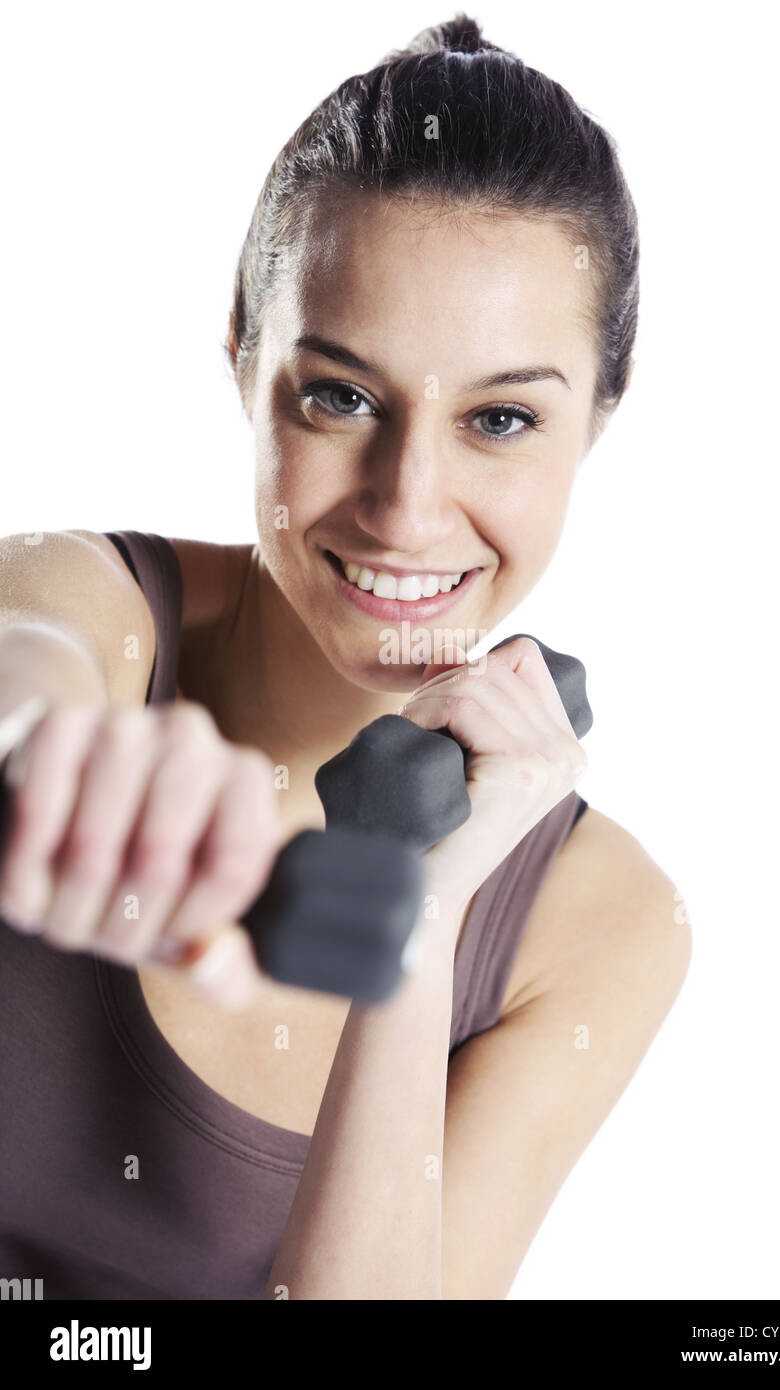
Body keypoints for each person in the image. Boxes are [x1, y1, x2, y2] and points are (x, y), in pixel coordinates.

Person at [0, 13, 691, 1300]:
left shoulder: (602, 927)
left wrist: (416, 909)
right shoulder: (80, 597)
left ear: (596, 418)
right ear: (242, 359)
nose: (406, 504)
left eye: (498, 418)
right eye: (340, 396)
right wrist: (66, 766)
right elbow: (24, 671)